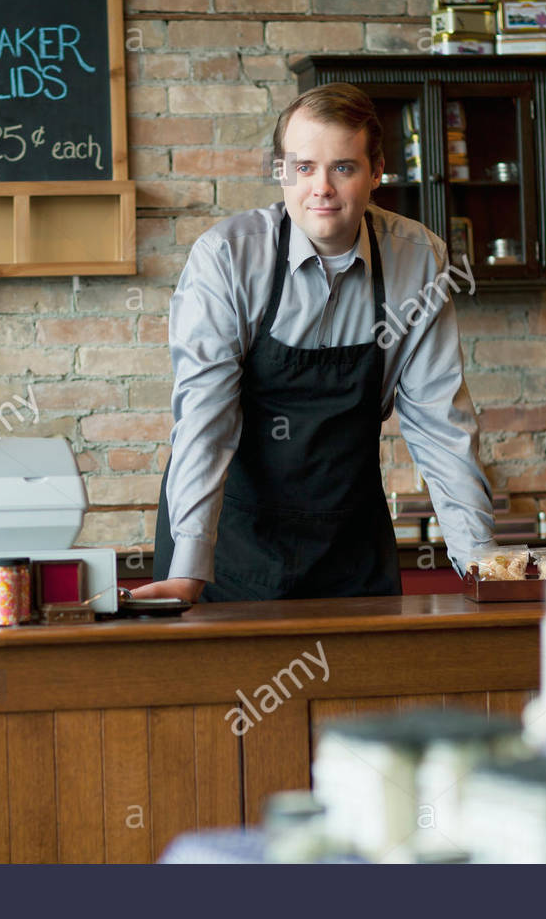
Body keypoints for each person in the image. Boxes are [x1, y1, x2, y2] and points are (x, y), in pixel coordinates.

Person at [132, 83, 494, 604]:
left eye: (343, 168)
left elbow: (441, 425)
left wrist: (483, 562)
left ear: (376, 172)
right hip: (230, 546)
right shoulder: (228, 259)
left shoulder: (418, 260)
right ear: (282, 172)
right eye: (304, 168)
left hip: (350, 545)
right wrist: (189, 568)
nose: (321, 187)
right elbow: (205, 420)